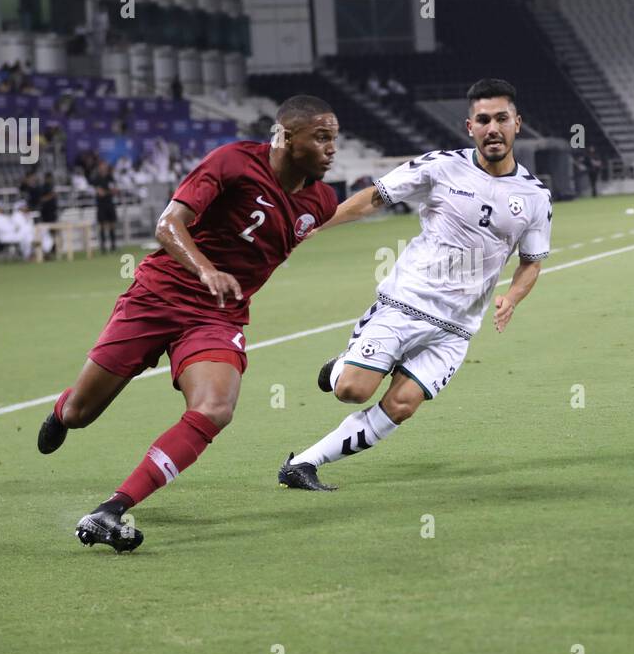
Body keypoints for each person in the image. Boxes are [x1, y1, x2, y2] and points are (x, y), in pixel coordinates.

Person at [37, 95, 340, 552]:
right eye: (321, 137)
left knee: (216, 408)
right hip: (158, 295)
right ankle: (64, 409)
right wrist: (205, 269)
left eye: (334, 138)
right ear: (285, 136)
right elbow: (169, 224)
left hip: (216, 315)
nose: (331, 148)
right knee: (82, 413)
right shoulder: (234, 160)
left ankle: (111, 509)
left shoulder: (322, 202)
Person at [277, 78, 552, 492]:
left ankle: (303, 464)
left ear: (517, 123)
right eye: (483, 120)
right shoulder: (441, 166)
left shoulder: (535, 197)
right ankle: (339, 369)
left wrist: (511, 296)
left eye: (501, 118)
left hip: (457, 328)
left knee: (402, 406)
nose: (492, 127)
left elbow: (531, 262)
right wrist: (317, 223)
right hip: (405, 304)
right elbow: (375, 197)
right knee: (353, 390)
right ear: (470, 127)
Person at [91, 160, 119, 252]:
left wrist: (107, 192)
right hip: (101, 205)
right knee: (102, 225)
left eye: (104, 166)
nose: (103, 168)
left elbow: (115, 190)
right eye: (102, 166)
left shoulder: (110, 177)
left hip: (110, 204)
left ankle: (113, 246)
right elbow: (100, 193)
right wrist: (109, 192)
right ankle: (103, 247)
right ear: (99, 168)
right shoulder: (96, 179)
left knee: (112, 225)